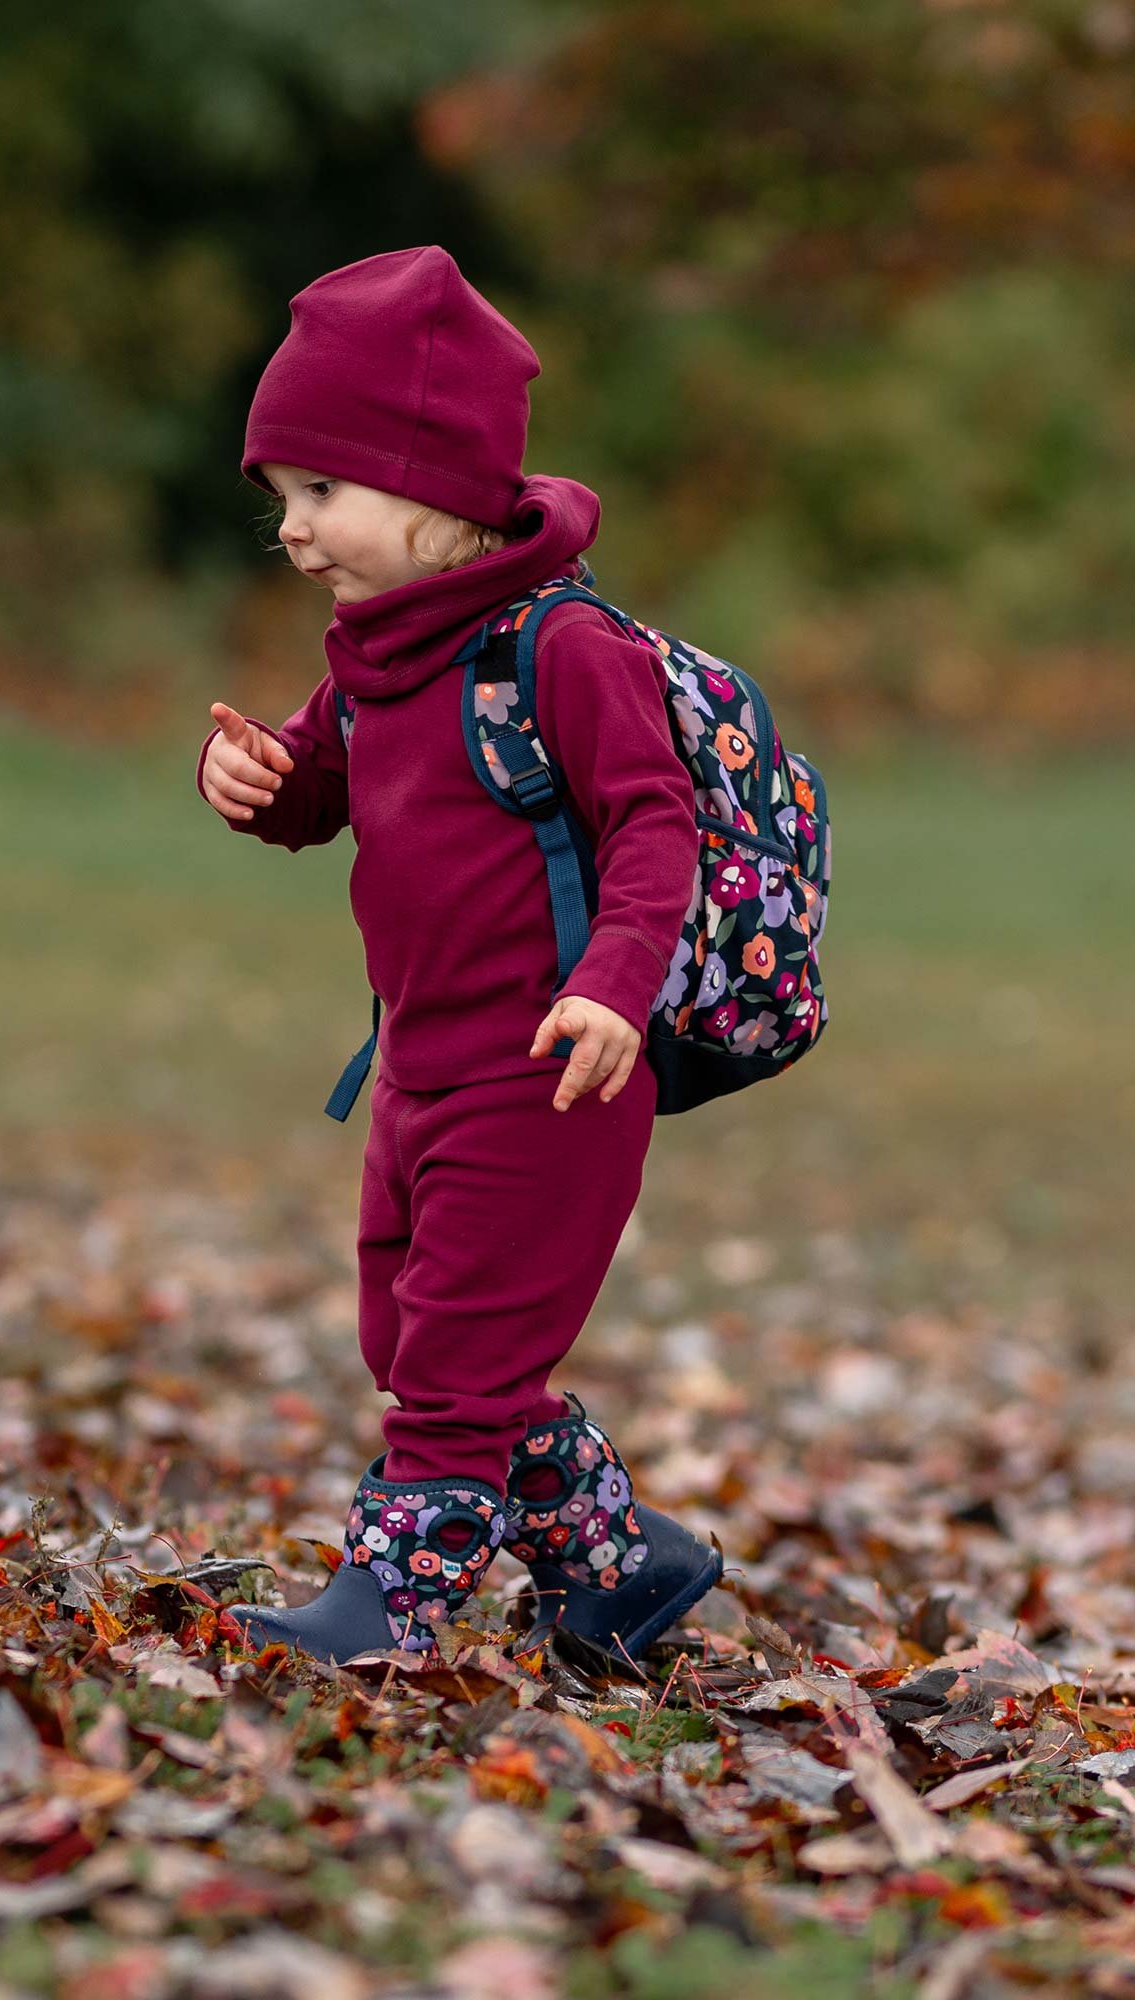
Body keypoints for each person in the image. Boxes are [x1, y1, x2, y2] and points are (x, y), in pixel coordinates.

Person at [194, 245, 721, 1666]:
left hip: (550, 1072)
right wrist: (252, 780)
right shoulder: (379, 643)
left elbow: (651, 830)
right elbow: (324, 783)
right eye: (282, 500)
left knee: (453, 1371)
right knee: (416, 1340)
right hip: (418, 1064)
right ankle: (621, 1566)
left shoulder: (562, 650)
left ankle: (388, 1607)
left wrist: (614, 988)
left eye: (324, 492)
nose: (295, 532)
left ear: (438, 488)